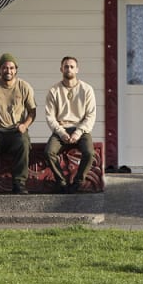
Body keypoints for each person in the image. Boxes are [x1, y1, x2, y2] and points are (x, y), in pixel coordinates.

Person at [0, 53, 36, 195]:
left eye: (11, 68)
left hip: (16, 130)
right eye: (4, 68)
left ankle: (19, 184)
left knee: (24, 142)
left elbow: (32, 112)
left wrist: (25, 125)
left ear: (15, 70)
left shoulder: (24, 86)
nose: (8, 71)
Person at [44, 55, 97, 192]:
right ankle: (61, 182)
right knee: (49, 152)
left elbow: (90, 115)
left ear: (77, 69)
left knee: (89, 152)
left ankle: (78, 182)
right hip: (61, 128)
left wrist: (78, 132)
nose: (69, 69)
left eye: (72, 66)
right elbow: (50, 117)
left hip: (81, 128)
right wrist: (61, 132)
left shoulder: (87, 89)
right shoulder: (53, 91)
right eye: (66, 66)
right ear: (61, 69)